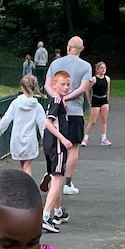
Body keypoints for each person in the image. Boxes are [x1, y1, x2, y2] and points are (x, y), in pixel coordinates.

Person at [44, 36, 92, 195]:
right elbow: (83, 88)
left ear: (68, 47)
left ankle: (52, 174)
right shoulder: (85, 66)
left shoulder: (56, 63)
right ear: (81, 49)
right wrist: (67, 97)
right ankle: (67, 183)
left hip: (55, 113)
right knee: (73, 148)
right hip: (75, 112)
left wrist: (57, 99)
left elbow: (47, 85)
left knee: (56, 146)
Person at [40, 71, 73, 232]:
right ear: (54, 85)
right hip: (58, 147)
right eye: (62, 84)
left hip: (50, 145)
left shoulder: (57, 101)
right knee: (58, 180)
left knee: (56, 178)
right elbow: (48, 123)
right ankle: (45, 217)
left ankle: (58, 212)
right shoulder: (57, 101)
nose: (66, 87)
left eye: (68, 84)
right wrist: (63, 139)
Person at [0, 75, 46, 178]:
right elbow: (43, 125)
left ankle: (22, 188)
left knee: (22, 166)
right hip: (30, 140)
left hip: (17, 139)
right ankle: (28, 189)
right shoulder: (37, 107)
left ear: (22, 87)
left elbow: (7, 118)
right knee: (28, 166)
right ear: (35, 88)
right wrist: (47, 141)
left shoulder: (16, 103)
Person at [82, 61, 111, 146]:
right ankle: (85, 139)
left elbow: (107, 90)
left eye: (104, 68)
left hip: (104, 100)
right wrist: (89, 100)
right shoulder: (94, 79)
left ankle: (104, 138)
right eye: (101, 68)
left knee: (104, 120)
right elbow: (87, 89)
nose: (103, 70)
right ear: (97, 69)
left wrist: (107, 99)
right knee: (93, 121)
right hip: (96, 100)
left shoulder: (107, 79)